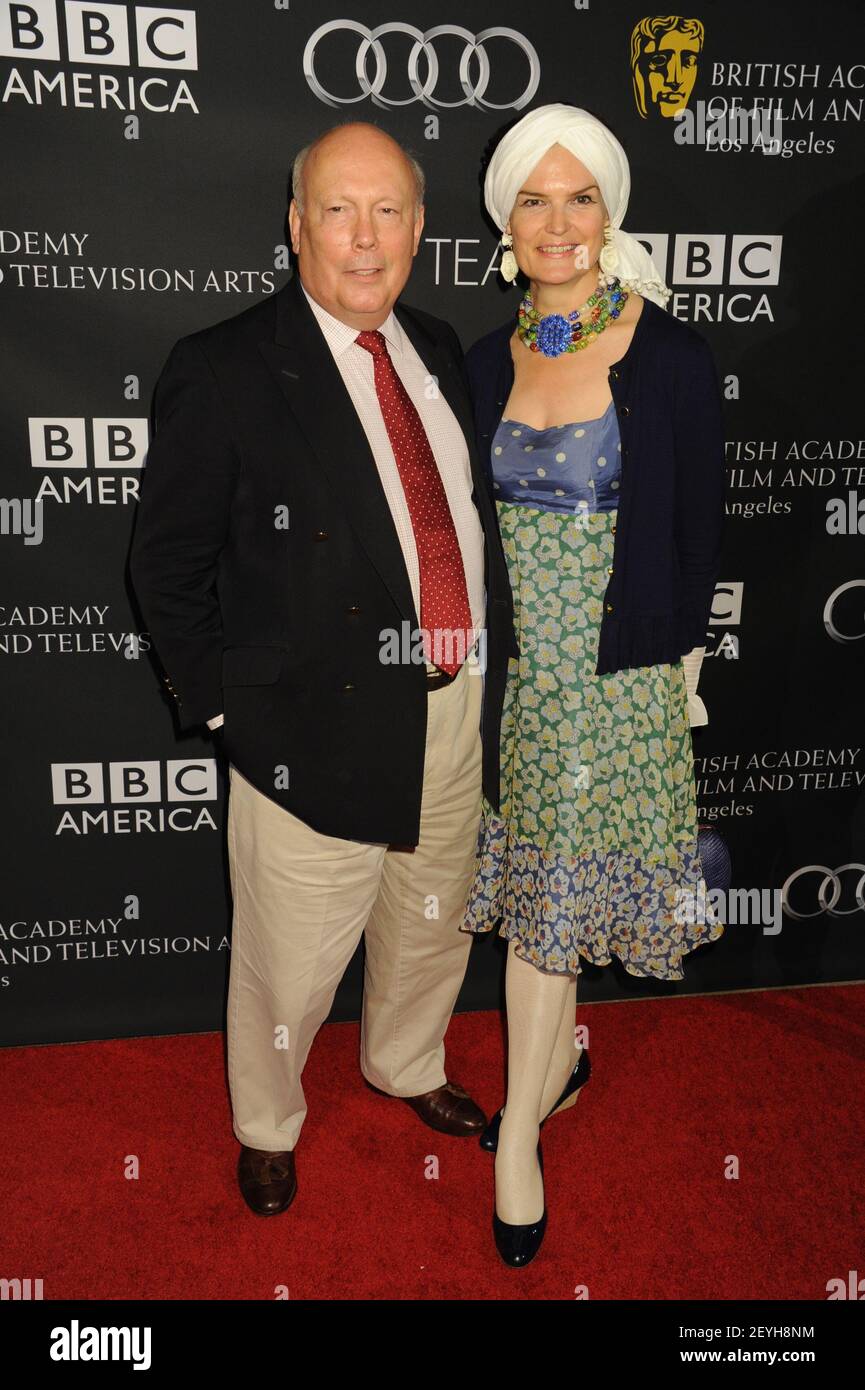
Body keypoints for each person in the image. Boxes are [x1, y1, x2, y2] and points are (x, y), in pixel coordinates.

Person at [129, 121, 518, 1218]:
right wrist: (228, 718)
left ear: (420, 229)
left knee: (430, 919)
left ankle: (403, 1060)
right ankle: (267, 1120)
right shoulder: (222, 367)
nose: (363, 239)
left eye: (387, 211)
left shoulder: (439, 346)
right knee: (289, 966)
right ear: (295, 228)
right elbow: (166, 565)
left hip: (450, 712)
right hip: (306, 734)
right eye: (338, 211)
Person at [458, 103, 727, 1266]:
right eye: (532, 198)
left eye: (578, 198)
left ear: (608, 211)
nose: (556, 223)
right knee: (545, 900)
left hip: (618, 684)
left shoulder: (669, 354)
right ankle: (555, 1065)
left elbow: (702, 535)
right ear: (504, 221)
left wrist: (682, 679)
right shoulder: (477, 363)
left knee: (555, 908)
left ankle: (520, 1125)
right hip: (524, 685)